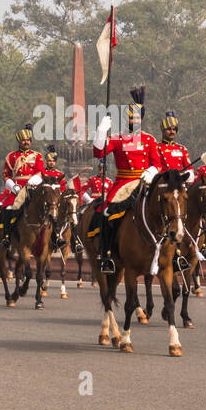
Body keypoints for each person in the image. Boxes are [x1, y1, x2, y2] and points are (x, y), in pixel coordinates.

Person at [90, 86, 163, 274]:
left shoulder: (149, 140)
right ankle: (106, 254)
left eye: (138, 117)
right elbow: (99, 152)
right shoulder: (118, 138)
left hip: (145, 182)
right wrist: (101, 131)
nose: (135, 120)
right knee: (106, 212)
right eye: (132, 117)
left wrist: (152, 171)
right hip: (123, 183)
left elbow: (158, 164)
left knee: (167, 207)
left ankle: (169, 252)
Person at [0, 123, 45, 250]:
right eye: (24, 140)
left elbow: (40, 172)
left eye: (28, 140)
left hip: (33, 187)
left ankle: (55, 237)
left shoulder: (37, 156)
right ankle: (6, 236)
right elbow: (6, 175)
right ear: (19, 142)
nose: (26, 142)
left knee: (49, 208)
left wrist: (32, 183)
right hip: (16, 189)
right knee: (7, 209)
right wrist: (13, 187)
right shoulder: (11, 156)